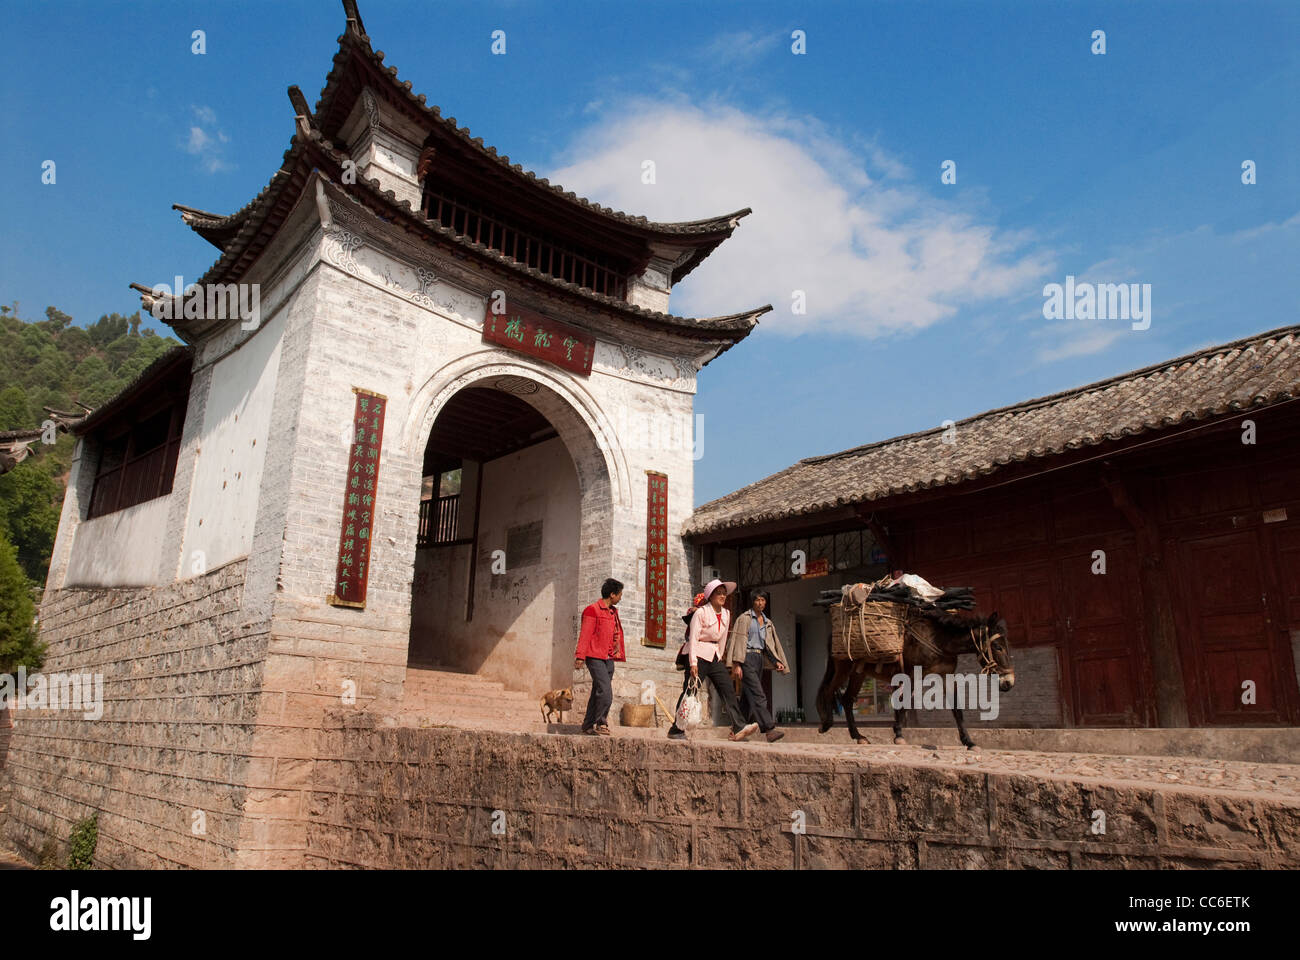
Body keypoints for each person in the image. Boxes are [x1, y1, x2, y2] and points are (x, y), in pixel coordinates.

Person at [666, 579, 759, 742]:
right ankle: (676, 729)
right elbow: (693, 638)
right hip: (698, 653)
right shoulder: (701, 613)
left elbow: (723, 639)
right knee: (690, 691)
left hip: (714, 656)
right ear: (710, 596)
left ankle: (738, 726)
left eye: (724, 593)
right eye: (719, 593)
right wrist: (693, 662)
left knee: (727, 688)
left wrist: (720, 656)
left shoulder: (726, 614)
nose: (723, 596)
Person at [725, 591, 790, 743]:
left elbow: (769, 645)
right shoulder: (744, 618)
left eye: (763, 600)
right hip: (746, 657)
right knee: (758, 694)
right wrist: (736, 663)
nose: (760, 603)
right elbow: (737, 641)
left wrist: (776, 662)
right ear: (753, 602)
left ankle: (736, 730)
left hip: (759, 658)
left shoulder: (767, 622)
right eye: (758, 600)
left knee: (748, 697)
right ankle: (769, 729)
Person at [574, 578, 625, 735]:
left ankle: (587, 725)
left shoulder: (612, 612)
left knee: (598, 690)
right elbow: (585, 634)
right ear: (612, 594)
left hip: (608, 658)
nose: (620, 598)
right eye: (620, 595)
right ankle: (601, 722)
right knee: (605, 691)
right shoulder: (592, 610)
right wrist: (580, 656)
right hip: (594, 656)